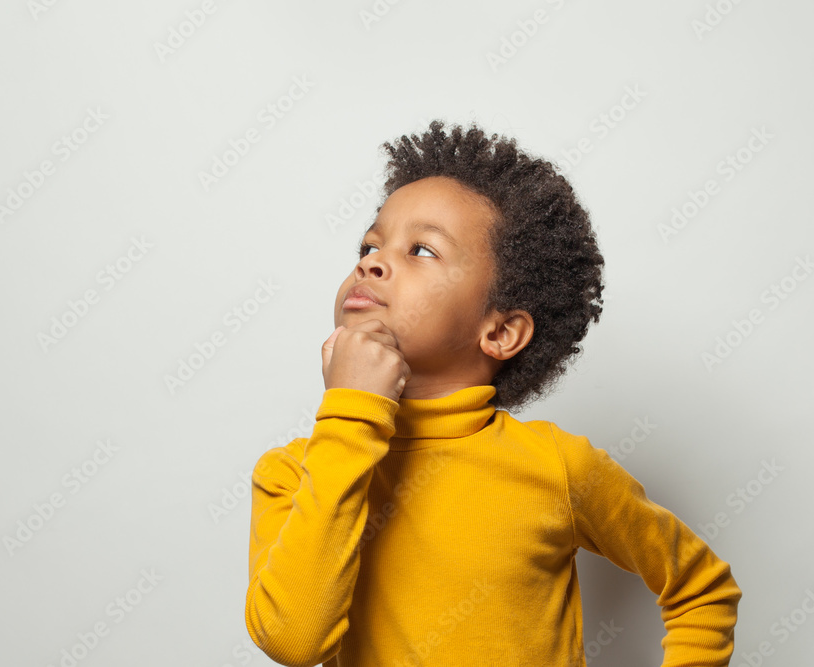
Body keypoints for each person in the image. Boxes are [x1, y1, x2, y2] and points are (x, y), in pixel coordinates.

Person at [244, 119, 741, 666]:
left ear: (501, 332)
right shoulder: (294, 474)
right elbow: (295, 641)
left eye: (423, 251)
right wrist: (350, 414)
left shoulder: (557, 467)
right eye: (369, 243)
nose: (370, 261)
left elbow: (701, 587)